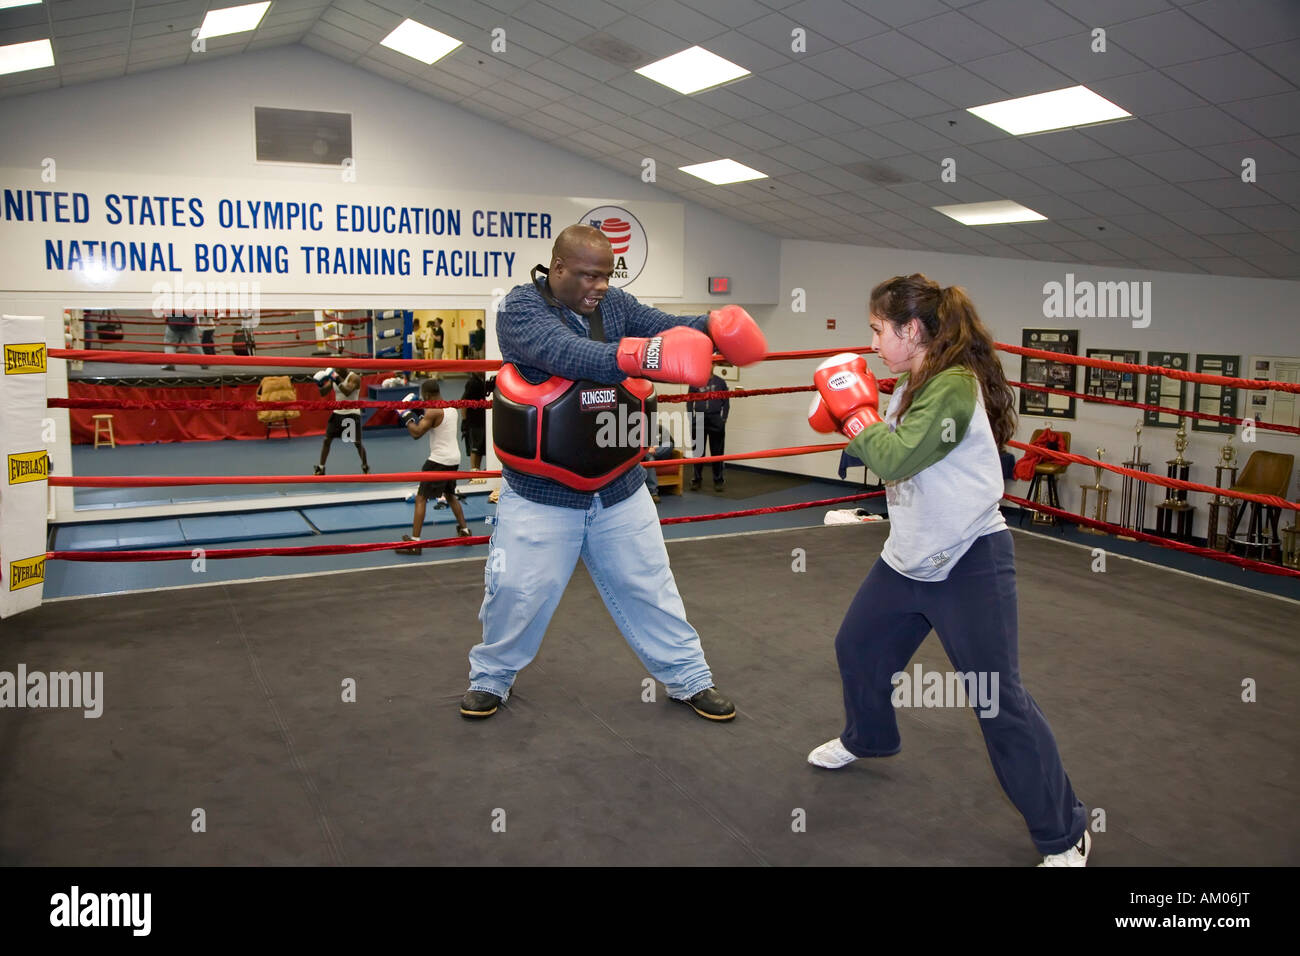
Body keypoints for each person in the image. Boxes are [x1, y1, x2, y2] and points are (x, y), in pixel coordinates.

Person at [806, 273, 1090, 867]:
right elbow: (888, 455)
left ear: (912, 330)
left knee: (997, 700)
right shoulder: (916, 379)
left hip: (968, 560)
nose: (875, 342)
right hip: (907, 556)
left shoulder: (954, 387)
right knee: (858, 649)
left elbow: (893, 456)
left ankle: (1065, 832)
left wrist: (851, 416)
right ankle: (870, 740)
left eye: (880, 330)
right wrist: (849, 418)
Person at [460, 223, 766, 721]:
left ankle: (689, 678)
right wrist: (639, 354)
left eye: (605, 276)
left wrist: (712, 327)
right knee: (517, 595)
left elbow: (664, 325)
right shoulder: (520, 308)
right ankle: (492, 677)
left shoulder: (615, 305)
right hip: (542, 495)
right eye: (587, 276)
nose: (599, 286)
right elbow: (564, 353)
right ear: (558, 268)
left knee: (651, 586)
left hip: (618, 488)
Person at [397, 379, 470, 553]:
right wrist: (417, 410)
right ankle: (465, 532)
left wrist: (405, 414)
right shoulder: (451, 407)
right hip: (454, 460)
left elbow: (416, 432)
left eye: (424, 397)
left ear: (428, 395)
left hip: (438, 461)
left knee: (421, 498)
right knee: (450, 495)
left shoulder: (433, 412)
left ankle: (415, 544)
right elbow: (432, 421)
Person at [312, 367, 370, 475]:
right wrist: (319, 384)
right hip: (337, 413)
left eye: (338, 367)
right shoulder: (334, 376)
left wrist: (336, 378)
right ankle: (321, 467)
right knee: (327, 440)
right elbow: (323, 393)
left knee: (357, 443)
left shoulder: (354, 378)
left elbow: (347, 391)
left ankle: (365, 466)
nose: (336, 369)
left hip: (352, 413)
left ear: (344, 367)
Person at [687, 366, 729, 491]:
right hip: (699, 418)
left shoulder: (720, 382)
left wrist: (723, 418)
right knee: (698, 452)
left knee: (717, 452)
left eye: (711, 364)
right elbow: (689, 401)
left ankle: (718, 480)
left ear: (714, 366)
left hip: (716, 418)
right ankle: (697, 480)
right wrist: (691, 418)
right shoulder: (695, 381)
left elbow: (726, 402)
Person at [460, 371, 490, 483]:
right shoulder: (472, 383)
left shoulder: (483, 381)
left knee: (481, 447)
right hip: (474, 421)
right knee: (476, 448)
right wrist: (465, 421)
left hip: (482, 419)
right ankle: (473, 473)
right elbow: (464, 402)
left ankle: (478, 473)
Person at [642, 417, 675, 503]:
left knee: (669, 444)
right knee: (650, 459)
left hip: (660, 453)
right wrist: (647, 449)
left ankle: (651, 453)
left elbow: (671, 442)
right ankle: (653, 493)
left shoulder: (660, 428)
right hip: (646, 457)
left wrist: (656, 448)